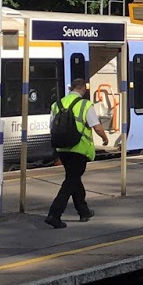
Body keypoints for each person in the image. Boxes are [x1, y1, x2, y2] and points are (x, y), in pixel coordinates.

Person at [46, 77, 109, 230]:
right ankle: (54, 214)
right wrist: (105, 138)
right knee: (70, 182)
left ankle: (83, 211)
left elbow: (52, 126)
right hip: (79, 149)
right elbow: (96, 126)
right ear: (83, 89)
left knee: (73, 179)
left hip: (62, 149)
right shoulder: (85, 105)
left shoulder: (57, 104)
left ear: (71, 88)